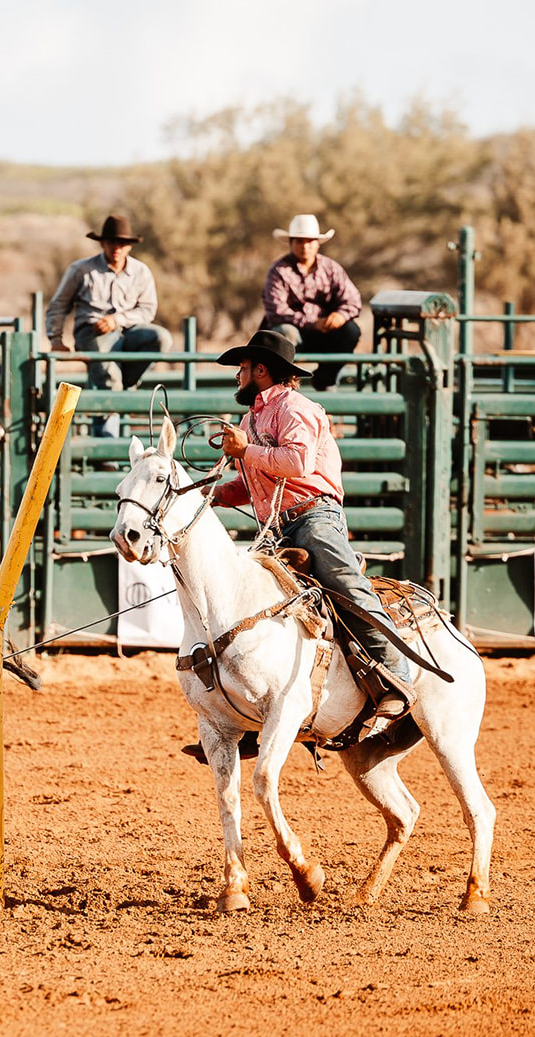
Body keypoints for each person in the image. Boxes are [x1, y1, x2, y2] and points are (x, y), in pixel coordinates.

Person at [208, 329, 413, 744]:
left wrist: (245, 451)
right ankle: (247, 711)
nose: (238, 376)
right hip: (277, 527)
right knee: (250, 606)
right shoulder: (251, 420)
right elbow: (253, 480)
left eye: (242, 368)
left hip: (312, 517)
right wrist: (216, 493)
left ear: (261, 370)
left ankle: (396, 677)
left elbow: (297, 463)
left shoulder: (296, 408)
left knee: (346, 586)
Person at [46, 214, 172, 436]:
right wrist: (56, 339)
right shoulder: (81, 270)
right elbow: (59, 305)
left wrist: (117, 320)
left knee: (161, 338)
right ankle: (107, 442)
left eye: (122, 243)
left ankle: (126, 384)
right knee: (108, 378)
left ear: (129, 246)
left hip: (129, 331)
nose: (117, 248)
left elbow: (147, 310)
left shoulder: (140, 271)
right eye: (112, 242)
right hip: (92, 332)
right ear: (103, 243)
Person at [261, 214, 363, 392]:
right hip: (293, 335)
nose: (305, 246)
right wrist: (312, 323)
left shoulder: (331, 268)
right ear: (291, 243)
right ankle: (282, 387)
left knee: (351, 331)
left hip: (325, 333)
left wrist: (340, 316)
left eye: (310, 241)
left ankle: (325, 379)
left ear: (317, 244)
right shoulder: (278, 271)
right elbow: (276, 311)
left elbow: (352, 299)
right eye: (299, 241)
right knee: (285, 332)